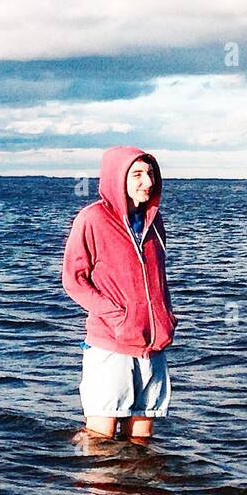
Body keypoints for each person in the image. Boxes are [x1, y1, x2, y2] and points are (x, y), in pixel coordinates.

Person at [61, 147, 177, 441]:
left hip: (152, 346)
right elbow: (74, 280)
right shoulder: (92, 219)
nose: (147, 182)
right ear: (117, 178)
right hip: (110, 345)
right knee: (100, 435)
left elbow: (158, 280)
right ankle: (89, 486)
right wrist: (118, 317)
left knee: (142, 438)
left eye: (150, 174)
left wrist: (165, 318)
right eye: (137, 174)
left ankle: (140, 489)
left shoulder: (155, 222)